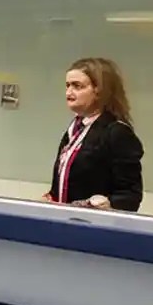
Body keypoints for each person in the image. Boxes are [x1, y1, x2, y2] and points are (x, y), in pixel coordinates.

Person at [43, 57, 143, 212]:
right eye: (67, 85)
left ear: (99, 91)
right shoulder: (74, 130)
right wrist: (52, 197)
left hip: (98, 227)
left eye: (77, 86)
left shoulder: (117, 133)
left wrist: (109, 204)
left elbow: (130, 195)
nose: (69, 92)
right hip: (66, 220)